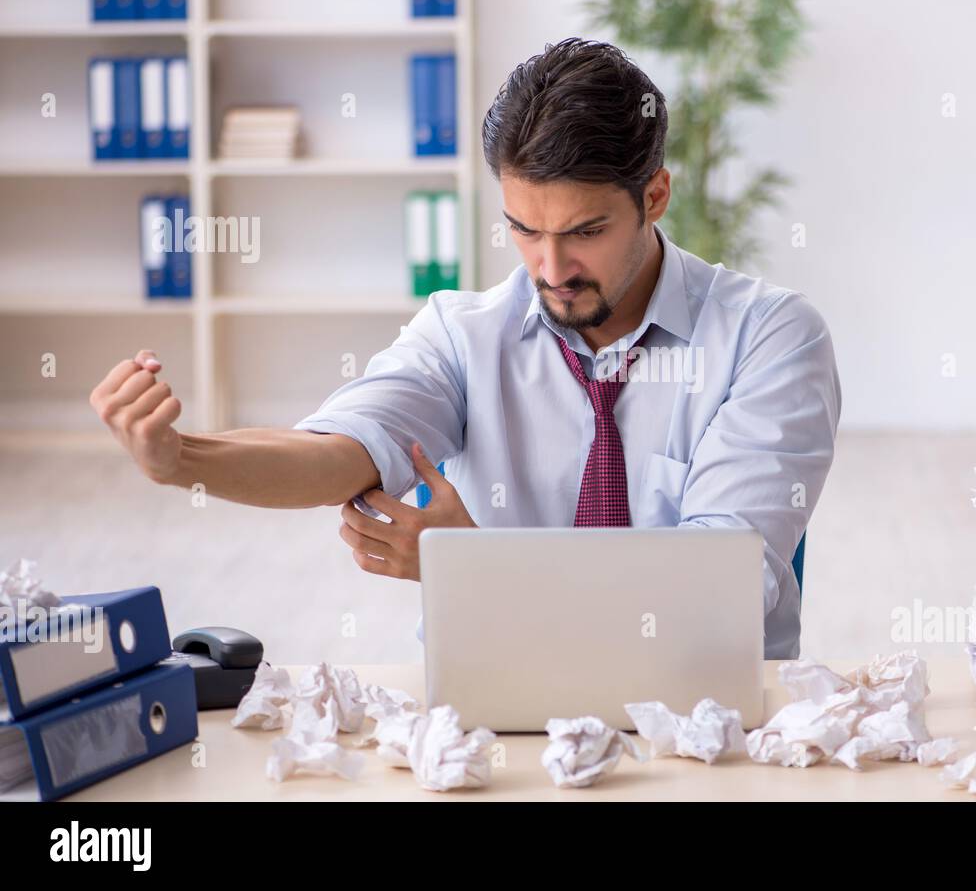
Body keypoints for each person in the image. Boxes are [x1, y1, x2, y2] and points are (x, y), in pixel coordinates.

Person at [89, 38, 841, 658]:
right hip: (496, 701)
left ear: (655, 196)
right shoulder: (464, 333)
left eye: (584, 232)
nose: (551, 269)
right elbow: (335, 453)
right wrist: (183, 458)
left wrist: (483, 570)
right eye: (524, 229)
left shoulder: (768, 338)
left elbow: (718, 592)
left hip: (700, 711)